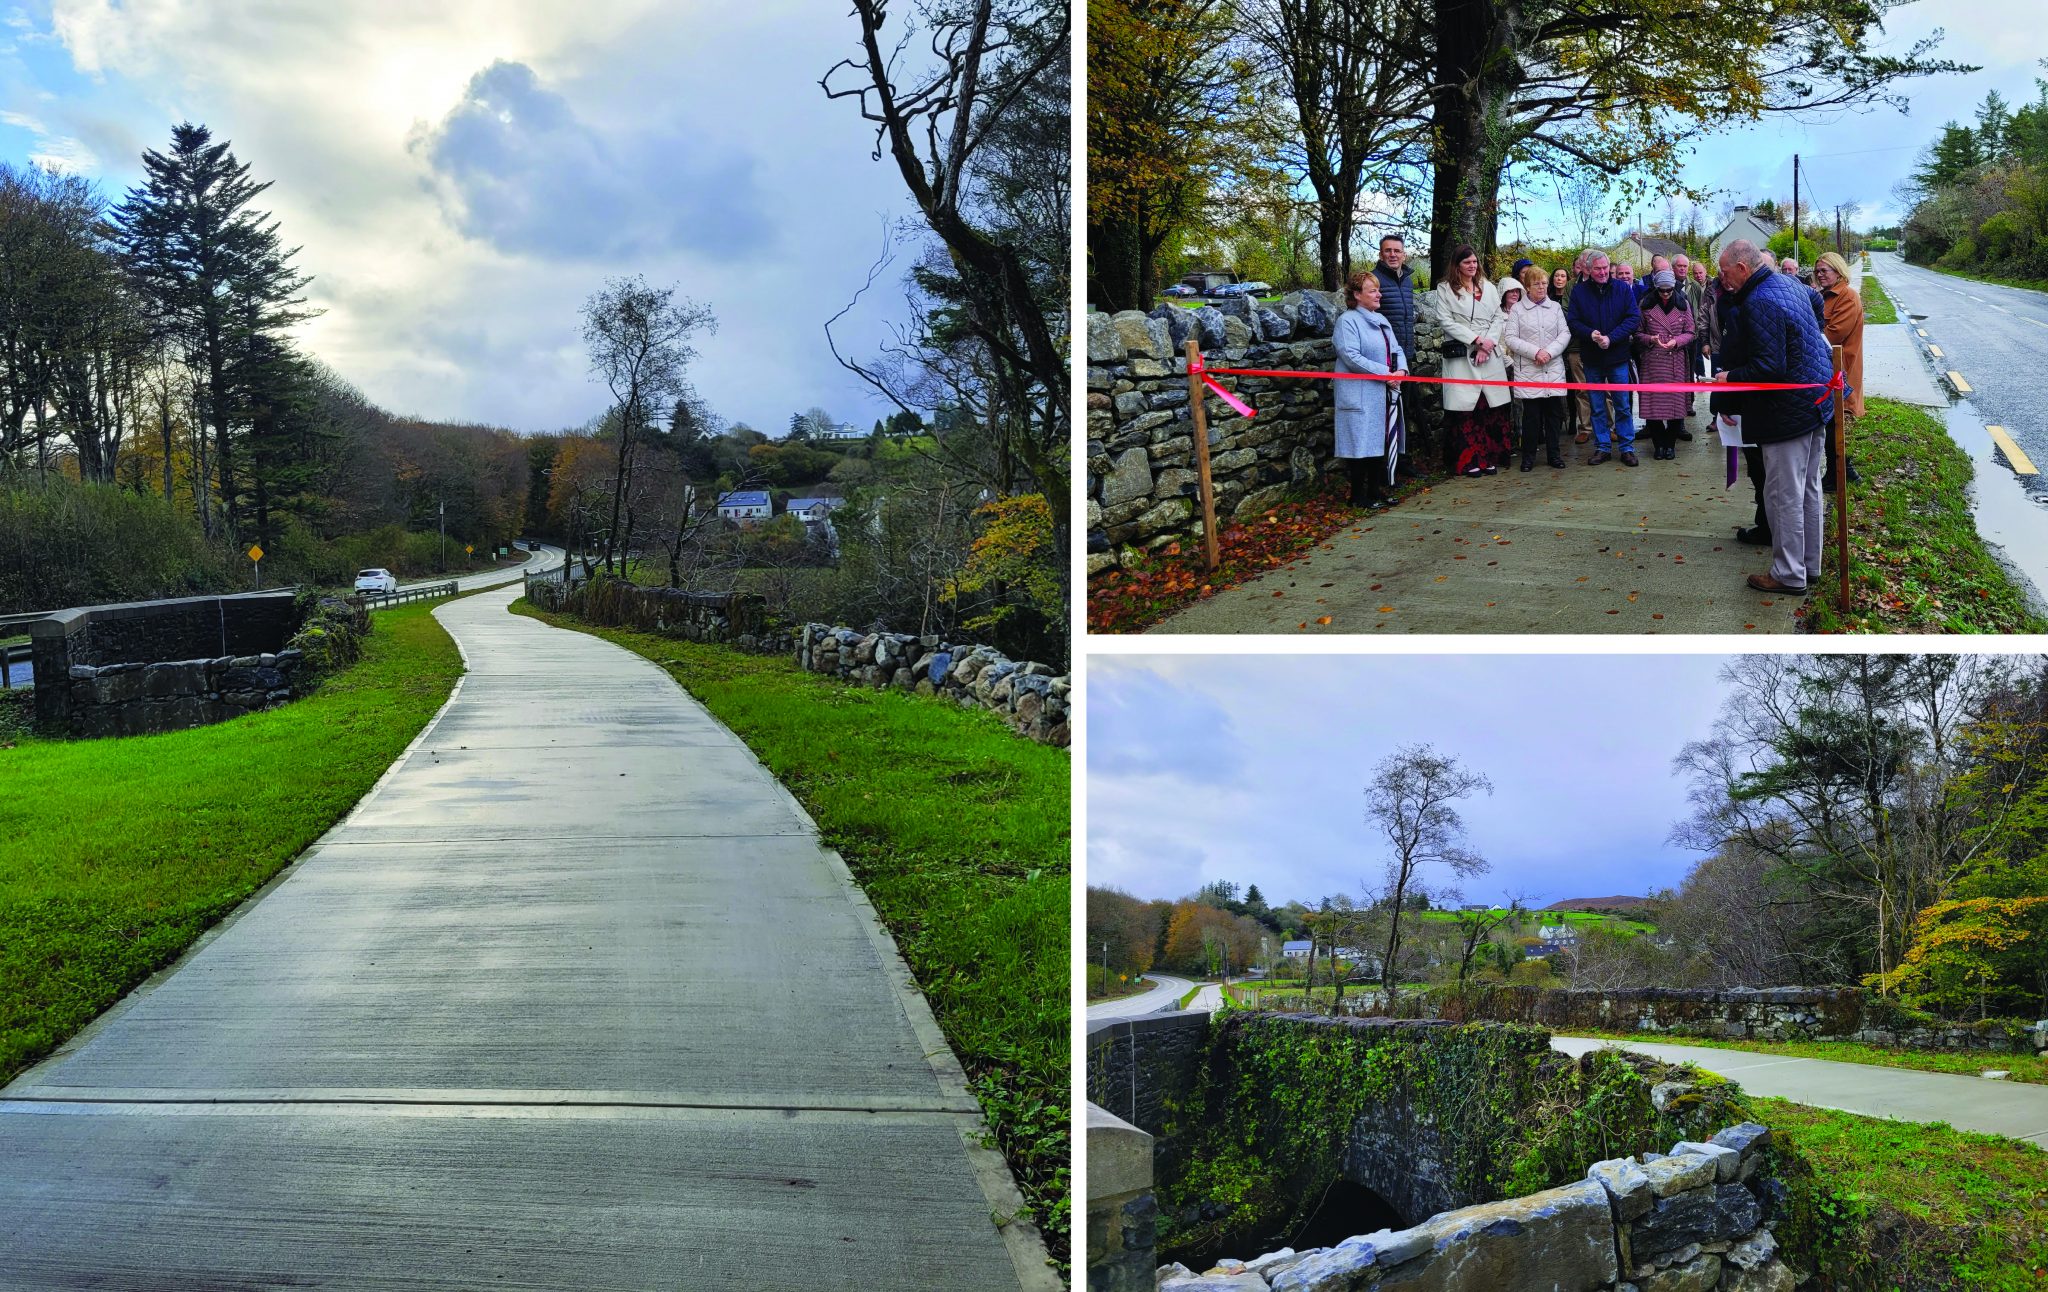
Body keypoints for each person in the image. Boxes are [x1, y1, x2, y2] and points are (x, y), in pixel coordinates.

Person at [1714, 239, 1836, 594]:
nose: (1723, 279)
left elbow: (1769, 367)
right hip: (1814, 401)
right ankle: (1808, 565)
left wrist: (1729, 378)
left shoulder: (1760, 300)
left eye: (1725, 272)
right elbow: (1815, 306)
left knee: (1784, 495)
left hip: (1787, 411)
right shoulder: (1788, 283)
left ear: (1742, 268)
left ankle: (1788, 574)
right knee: (1808, 488)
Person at [1433, 245, 1512, 476]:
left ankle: (1489, 457)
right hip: (1462, 353)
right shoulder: (1445, 289)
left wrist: (1487, 344)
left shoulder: (1488, 287)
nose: (1472, 266)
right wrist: (1476, 340)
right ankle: (1469, 460)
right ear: (1457, 265)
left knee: (1490, 409)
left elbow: (1498, 316)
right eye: (1467, 262)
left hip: (1489, 353)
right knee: (1467, 410)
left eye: (1475, 262)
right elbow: (1445, 321)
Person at [1334, 270, 1408, 509]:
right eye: (1372, 290)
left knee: (1380, 441)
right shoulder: (1347, 321)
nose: (1379, 294)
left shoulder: (1381, 319)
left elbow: (1396, 349)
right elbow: (1350, 355)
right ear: (1357, 294)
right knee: (1360, 443)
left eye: (1378, 289)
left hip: (1383, 391)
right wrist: (1385, 373)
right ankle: (1357, 496)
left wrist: (1401, 372)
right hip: (1360, 393)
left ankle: (1376, 491)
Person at [1565, 249, 1641, 465]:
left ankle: (1627, 447)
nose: (1602, 272)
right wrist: (1590, 334)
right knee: (1597, 405)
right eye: (1597, 268)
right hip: (1591, 357)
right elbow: (1573, 321)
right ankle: (1602, 447)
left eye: (1605, 268)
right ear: (1588, 269)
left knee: (1622, 405)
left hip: (1617, 356)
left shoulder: (1622, 289)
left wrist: (1612, 338)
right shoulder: (1579, 292)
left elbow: (1633, 318)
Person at [1506, 265, 1569, 470]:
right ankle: (1528, 458)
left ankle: (1554, 455)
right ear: (1527, 286)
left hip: (1552, 368)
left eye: (1544, 283)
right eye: (1536, 284)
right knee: (1531, 417)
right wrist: (1535, 352)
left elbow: (1564, 334)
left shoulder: (1555, 308)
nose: (1541, 287)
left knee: (1553, 416)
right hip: (1529, 370)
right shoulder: (1517, 309)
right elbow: (1510, 338)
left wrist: (1549, 352)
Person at [1812, 251, 1864, 485]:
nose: (1820, 275)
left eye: (1825, 271)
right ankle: (1841, 472)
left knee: (1835, 423)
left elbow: (1833, 334)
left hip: (1841, 369)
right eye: (1818, 271)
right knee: (1831, 422)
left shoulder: (1848, 297)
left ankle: (1840, 474)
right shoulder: (1824, 296)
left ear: (1838, 271)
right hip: (1829, 369)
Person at [1371, 234, 1421, 476]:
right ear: (1381, 254)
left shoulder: (1408, 281)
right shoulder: (1375, 280)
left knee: (1405, 411)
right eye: (1388, 251)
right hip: (1383, 360)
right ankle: (1384, 468)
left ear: (1404, 254)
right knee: (1385, 415)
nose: (1392, 255)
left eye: (1397, 251)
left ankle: (1404, 462)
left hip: (1405, 356)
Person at [1634, 270, 1696, 460]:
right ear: (1656, 288)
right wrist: (1651, 339)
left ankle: (1670, 445)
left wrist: (1677, 341)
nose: (1666, 294)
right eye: (1662, 291)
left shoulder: (1683, 304)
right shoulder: (1645, 305)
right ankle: (1658, 445)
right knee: (1653, 408)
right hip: (1653, 361)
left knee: (1677, 407)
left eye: (1669, 290)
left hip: (1675, 361)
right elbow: (1637, 333)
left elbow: (1691, 332)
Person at [1559, 259, 1592, 444]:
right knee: (1581, 390)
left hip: (1600, 346)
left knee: (1605, 389)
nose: (1584, 267)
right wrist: (1585, 327)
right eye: (1581, 264)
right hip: (1576, 345)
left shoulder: (1604, 282)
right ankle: (1585, 428)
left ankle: (1608, 427)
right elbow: (1566, 311)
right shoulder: (1572, 285)